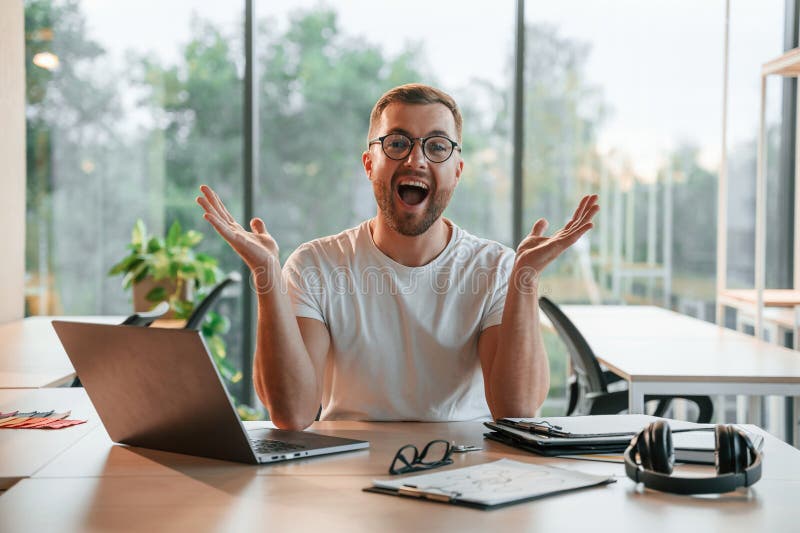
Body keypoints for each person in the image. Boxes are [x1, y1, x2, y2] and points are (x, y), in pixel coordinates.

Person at [197, 83, 599, 430]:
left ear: (457, 170)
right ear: (370, 163)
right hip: (345, 476)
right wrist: (266, 274)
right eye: (397, 142)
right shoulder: (315, 265)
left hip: (469, 474)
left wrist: (524, 279)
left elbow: (517, 410)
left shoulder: (496, 269)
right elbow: (292, 413)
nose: (416, 159)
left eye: (437, 146)